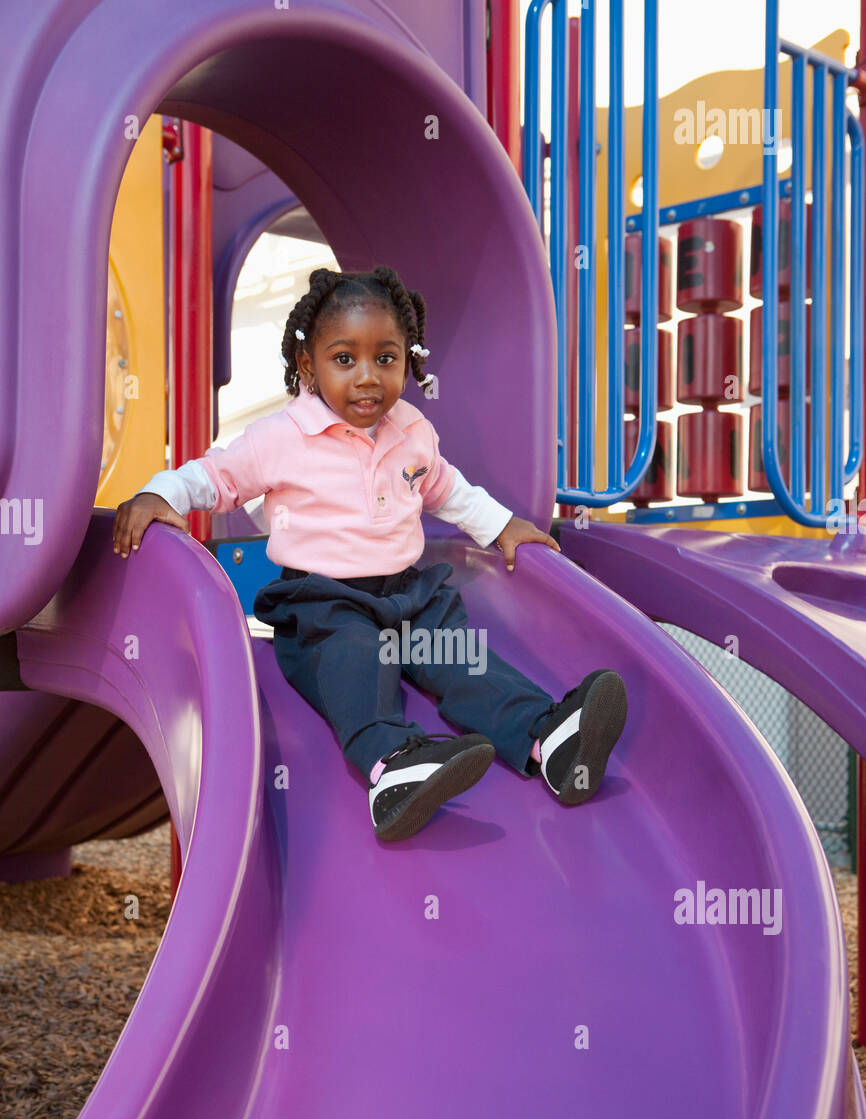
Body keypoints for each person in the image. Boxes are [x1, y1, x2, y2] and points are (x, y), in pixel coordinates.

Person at [113, 266, 627, 840]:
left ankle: (547, 739)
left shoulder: (411, 430)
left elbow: (446, 488)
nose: (367, 378)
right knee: (355, 665)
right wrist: (163, 492)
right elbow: (217, 476)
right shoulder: (281, 437)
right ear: (308, 366)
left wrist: (502, 525)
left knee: (462, 659)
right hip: (322, 604)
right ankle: (392, 768)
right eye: (344, 359)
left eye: (385, 359)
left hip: (409, 595)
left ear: (408, 362)